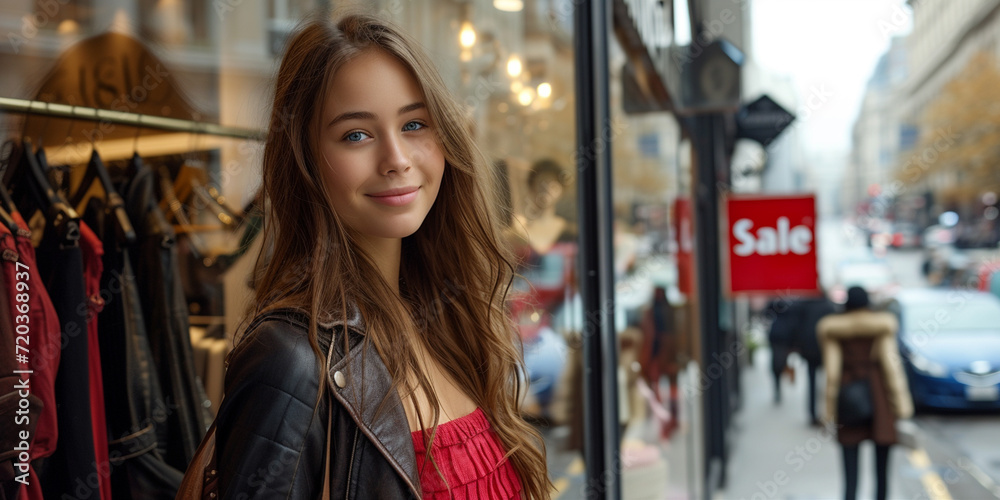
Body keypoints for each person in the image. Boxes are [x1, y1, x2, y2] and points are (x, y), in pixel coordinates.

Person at [193, 12, 550, 499]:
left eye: (415, 124)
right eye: (356, 135)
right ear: (305, 161)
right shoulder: (291, 362)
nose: (397, 158)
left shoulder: (451, 320)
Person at [817, 287, 912, 500]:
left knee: (850, 469)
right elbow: (892, 369)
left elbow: (831, 375)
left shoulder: (834, 330)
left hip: (848, 396)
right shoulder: (881, 327)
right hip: (880, 397)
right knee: (882, 470)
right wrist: (902, 407)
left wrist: (828, 414)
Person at [793, 294, 836, 426]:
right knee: (829, 382)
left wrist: (798, 347)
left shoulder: (803, 306)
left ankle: (812, 414)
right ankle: (827, 413)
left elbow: (796, 328)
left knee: (811, 383)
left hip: (809, 349)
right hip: (825, 349)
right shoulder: (828, 305)